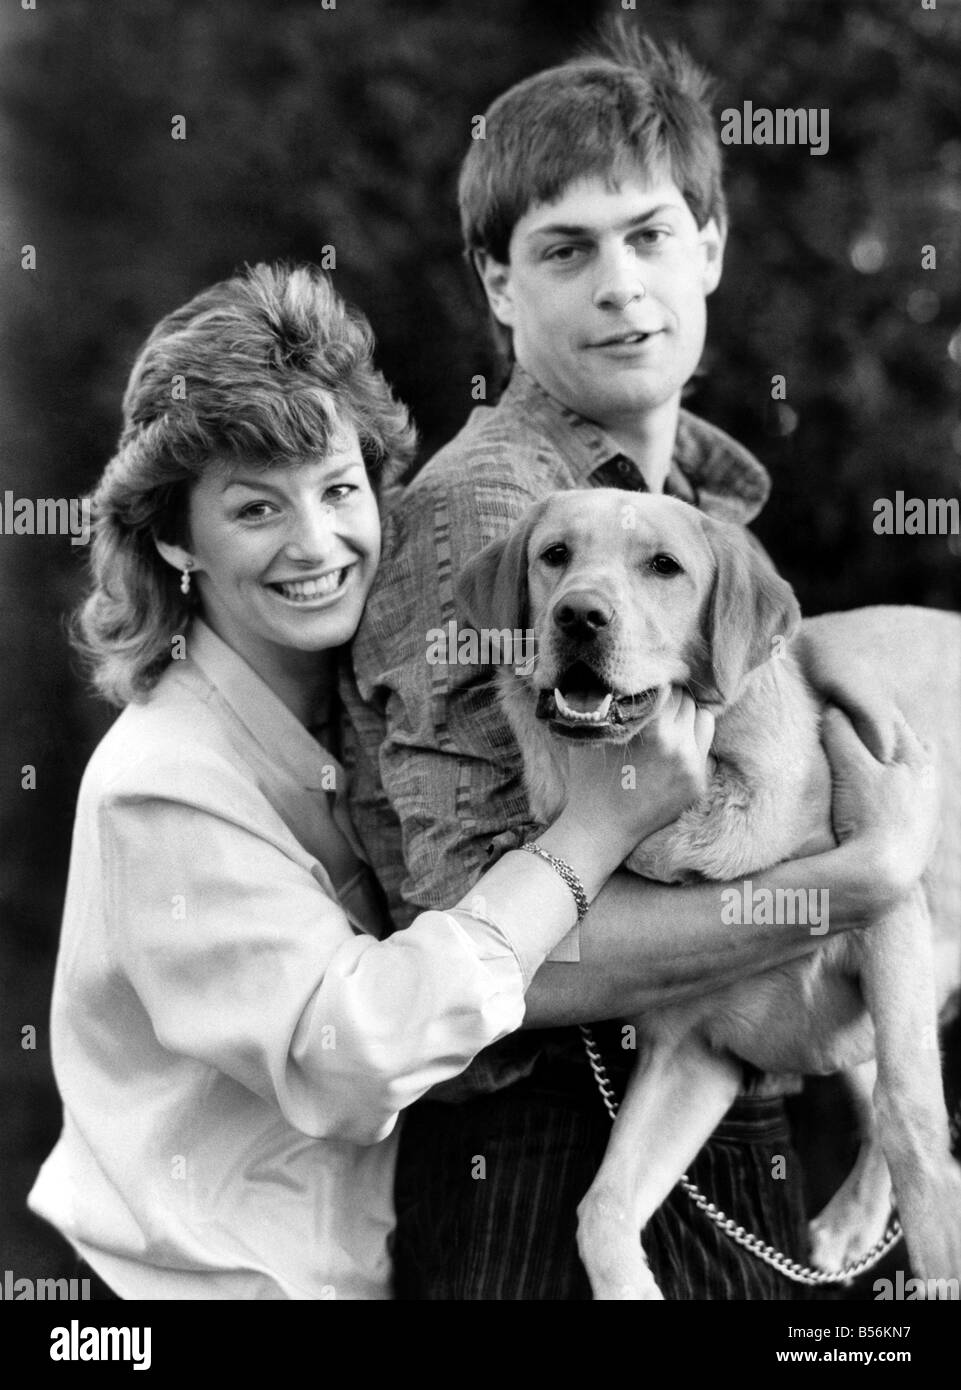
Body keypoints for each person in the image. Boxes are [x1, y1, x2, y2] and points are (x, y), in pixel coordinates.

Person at [343, 30, 932, 1299]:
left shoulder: (698, 517)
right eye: (565, 249)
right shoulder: (486, 514)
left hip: (705, 1128)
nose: (621, 286)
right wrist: (858, 884)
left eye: (651, 235)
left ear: (710, 247)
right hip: (542, 1161)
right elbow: (475, 945)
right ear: (495, 284)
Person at [27, 262, 724, 1300]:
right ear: (174, 536)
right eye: (257, 508)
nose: (317, 544)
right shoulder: (161, 782)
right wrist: (591, 831)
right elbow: (358, 1044)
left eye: (339, 489)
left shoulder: (355, 712)